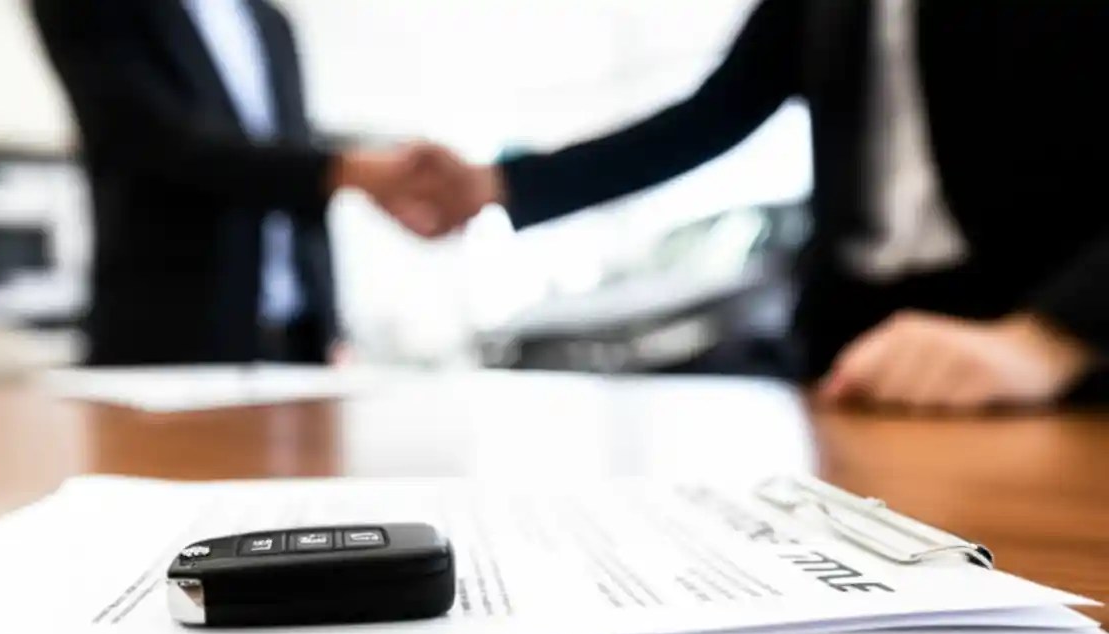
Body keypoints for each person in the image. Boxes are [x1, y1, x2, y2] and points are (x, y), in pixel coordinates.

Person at [410, 0, 1109, 412]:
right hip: (849, 352)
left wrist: (1052, 335)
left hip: (1043, 344)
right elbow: (710, 117)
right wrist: (498, 185)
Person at [31, 0, 452, 366]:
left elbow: (294, 154)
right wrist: (347, 171)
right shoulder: (94, 7)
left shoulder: (271, 21)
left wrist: (327, 323)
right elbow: (157, 142)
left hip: (295, 347)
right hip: (169, 344)